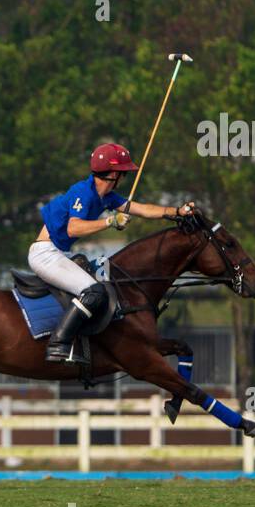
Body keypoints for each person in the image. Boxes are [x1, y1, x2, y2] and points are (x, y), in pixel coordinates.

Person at [30, 142, 194, 364]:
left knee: (105, 281)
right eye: (124, 173)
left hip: (60, 254)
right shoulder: (83, 192)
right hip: (45, 254)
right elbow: (73, 228)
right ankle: (58, 344)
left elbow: (142, 209)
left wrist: (177, 211)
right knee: (94, 291)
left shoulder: (107, 197)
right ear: (115, 174)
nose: (124, 178)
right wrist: (110, 221)